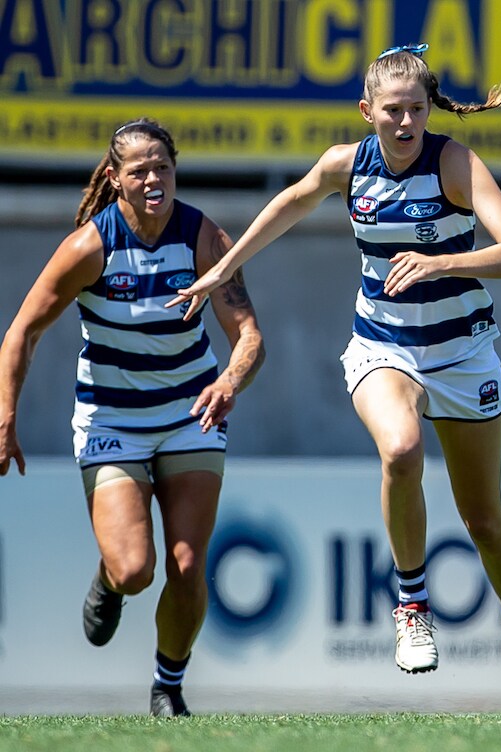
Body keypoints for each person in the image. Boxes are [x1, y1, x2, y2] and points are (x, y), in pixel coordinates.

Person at [167, 43, 501, 715]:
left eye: (416, 110)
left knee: (484, 520)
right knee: (401, 448)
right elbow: (287, 206)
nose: (406, 123)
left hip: (464, 353)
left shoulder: (456, 164)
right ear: (366, 112)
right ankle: (411, 604)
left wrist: (442, 265)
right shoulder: (347, 165)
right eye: (392, 112)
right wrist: (220, 268)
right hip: (384, 347)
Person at [0, 118, 265, 717]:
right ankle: (108, 579)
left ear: (175, 172)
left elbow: (249, 335)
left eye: (162, 168)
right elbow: (21, 333)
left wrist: (229, 379)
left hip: (190, 411)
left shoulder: (203, 238)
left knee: (189, 563)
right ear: (116, 179)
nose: (153, 179)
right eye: (139, 170)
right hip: (111, 420)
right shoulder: (90, 247)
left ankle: (167, 685)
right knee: (136, 568)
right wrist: (5, 415)